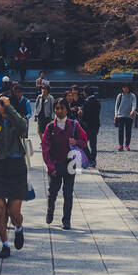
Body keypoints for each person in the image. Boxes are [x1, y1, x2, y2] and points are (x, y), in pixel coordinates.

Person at [0, 94, 28, 258]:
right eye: (0, 103)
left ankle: (18, 228)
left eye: (5, 104)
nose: (1, 106)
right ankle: (4, 244)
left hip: (16, 168)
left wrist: (10, 109)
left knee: (14, 211)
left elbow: (24, 130)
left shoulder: (17, 120)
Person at [41, 99, 89, 230]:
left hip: (70, 164)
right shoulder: (50, 127)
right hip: (55, 164)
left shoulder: (74, 125)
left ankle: (66, 220)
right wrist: (50, 167)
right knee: (52, 192)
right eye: (56, 108)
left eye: (61, 108)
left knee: (68, 194)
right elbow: (45, 148)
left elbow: (85, 140)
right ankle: (50, 211)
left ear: (66, 109)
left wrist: (76, 142)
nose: (59, 111)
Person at [81, 86, 102, 166]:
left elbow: (86, 114)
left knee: (83, 143)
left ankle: (91, 159)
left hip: (88, 126)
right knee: (93, 144)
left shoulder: (88, 101)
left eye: (84, 92)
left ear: (86, 93)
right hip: (96, 125)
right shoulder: (97, 100)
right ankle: (92, 160)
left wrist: (83, 120)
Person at [113, 83, 136, 150]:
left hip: (129, 116)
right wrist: (115, 115)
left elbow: (134, 104)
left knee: (128, 131)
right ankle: (120, 145)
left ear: (129, 88)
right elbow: (116, 106)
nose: (125, 89)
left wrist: (132, 111)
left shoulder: (132, 96)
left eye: (127, 88)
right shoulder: (120, 95)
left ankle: (127, 145)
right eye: (124, 87)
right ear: (122, 88)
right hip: (120, 115)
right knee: (120, 131)